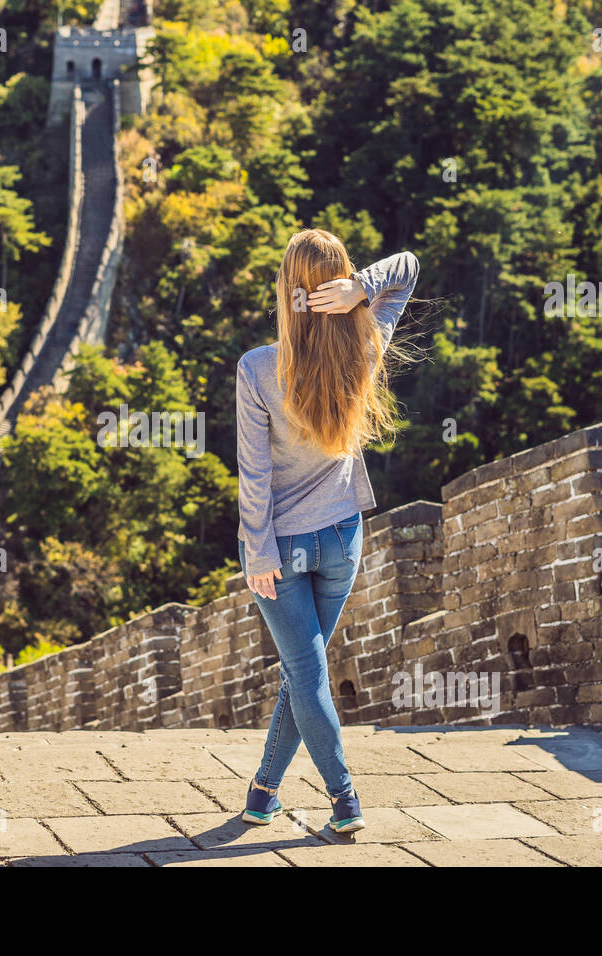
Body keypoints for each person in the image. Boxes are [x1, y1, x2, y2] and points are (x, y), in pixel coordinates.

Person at [235, 229, 418, 834]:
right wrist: (359, 293)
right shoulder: (365, 347)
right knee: (303, 672)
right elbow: (408, 268)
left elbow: (254, 474)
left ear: (286, 291)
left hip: (281, 549)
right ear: (334, 288)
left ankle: (345, 801)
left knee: (307, 674)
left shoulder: (259, 369)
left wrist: (257, 551)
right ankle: (263, 793)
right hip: (343, 538)